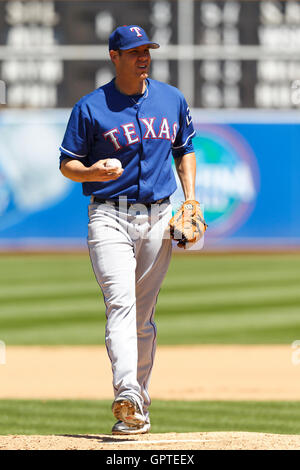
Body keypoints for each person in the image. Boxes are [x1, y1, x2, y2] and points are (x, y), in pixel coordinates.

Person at [59, 25, 197, 435]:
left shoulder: (171, 99)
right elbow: (68, 164)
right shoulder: (91, 107)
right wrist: (90, 171)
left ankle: (138, 408)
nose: (143, 57)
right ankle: (127, 392)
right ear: (114, 56)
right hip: (109, 215)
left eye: (146, 50)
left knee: (143, 318)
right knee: (121, 304)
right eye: (134, 51)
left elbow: (184, 149)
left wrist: (190, 201)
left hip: (159, 216)